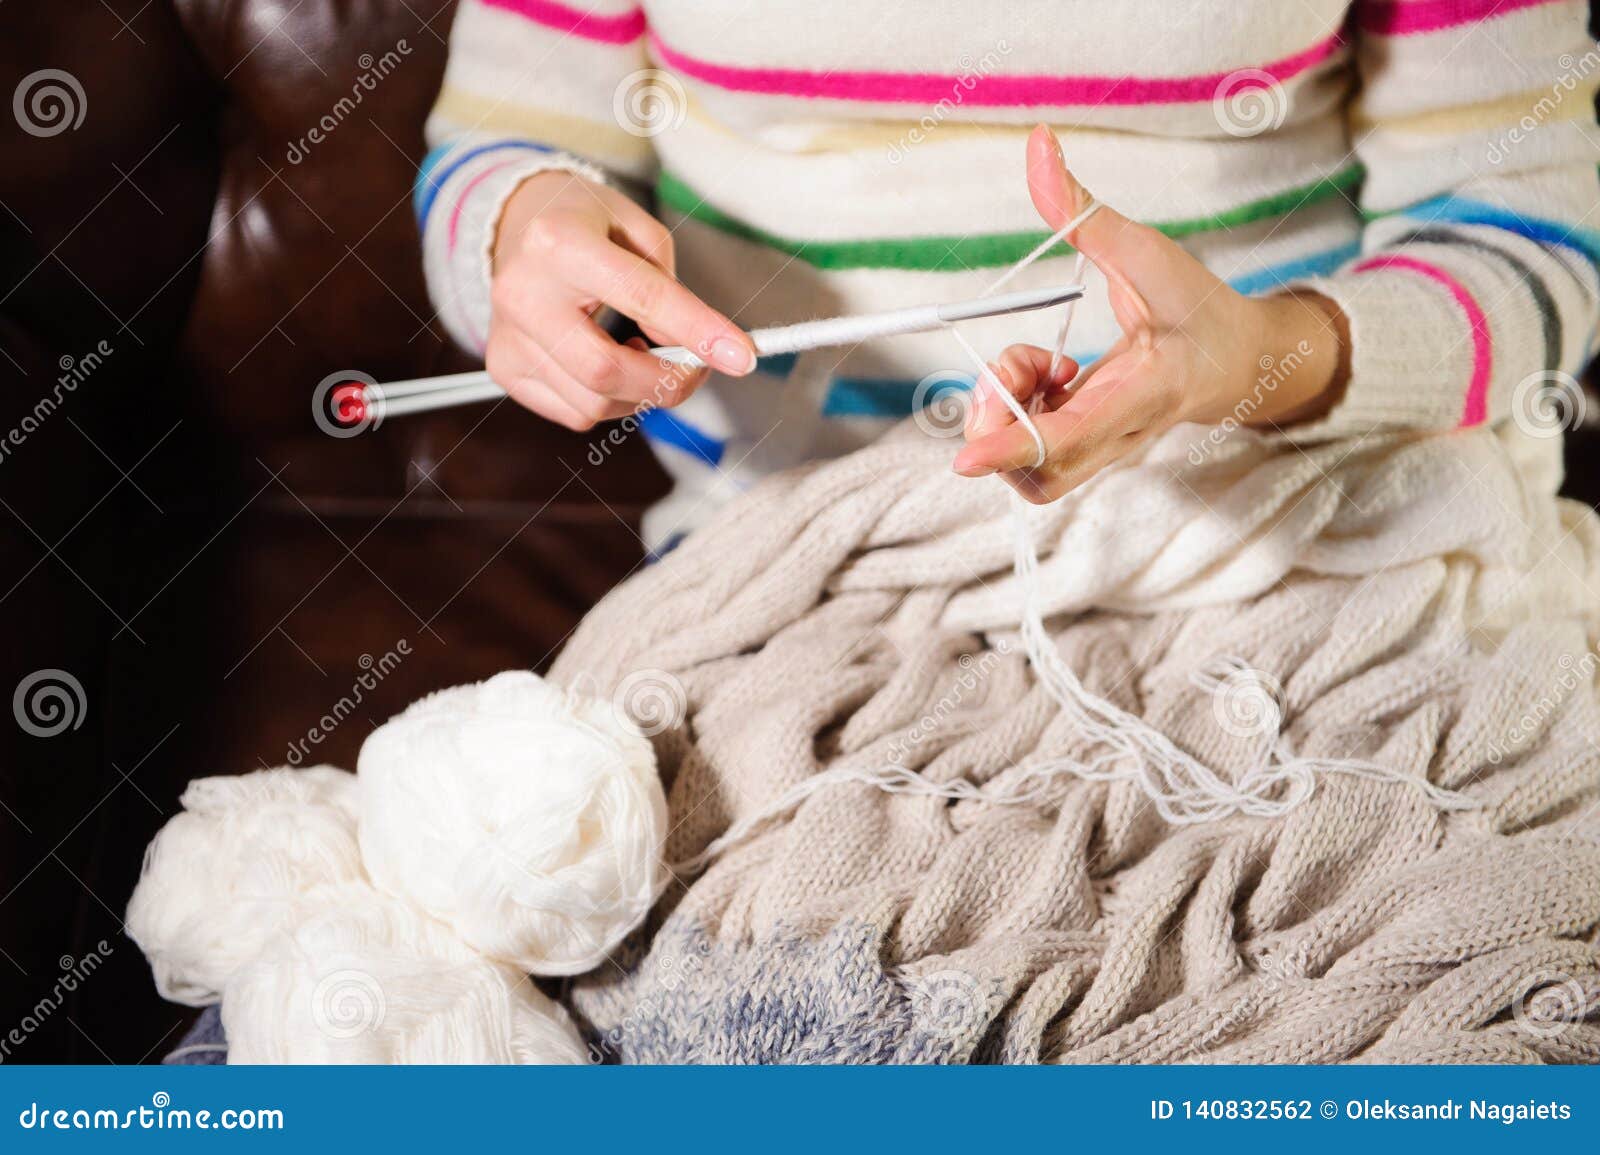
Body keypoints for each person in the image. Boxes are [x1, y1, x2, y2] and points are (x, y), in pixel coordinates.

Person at [416, 0, 1598, 545]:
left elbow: (1528, 237)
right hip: (780, 553)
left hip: (1299, 525)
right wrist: (516, 233)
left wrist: (1255, 364)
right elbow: (503, 149)